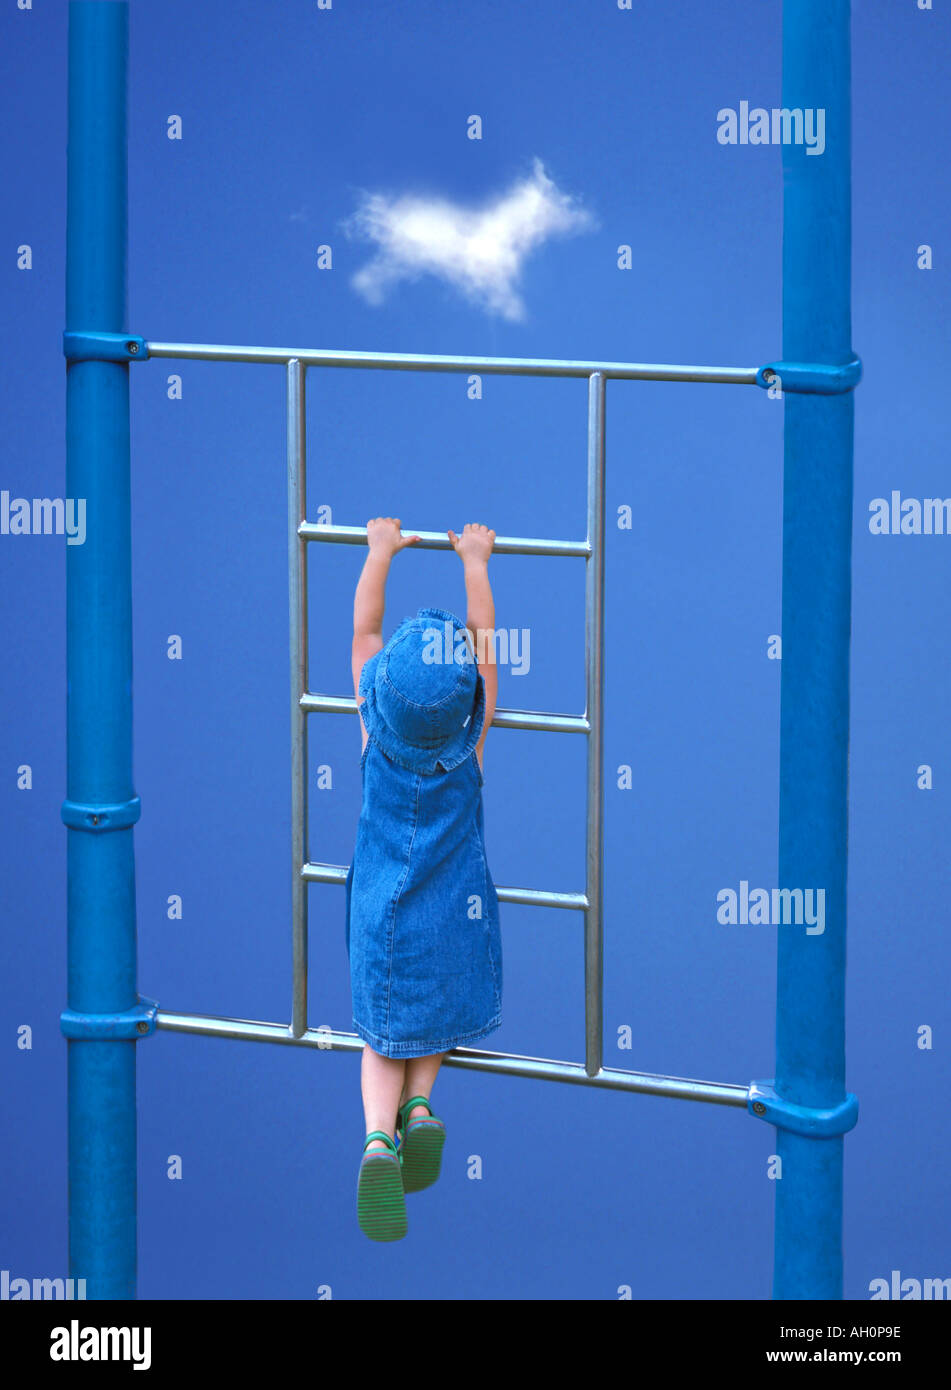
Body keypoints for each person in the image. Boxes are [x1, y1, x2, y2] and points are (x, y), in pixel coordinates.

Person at [345, 518, 502, 1242]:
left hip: (380, 913)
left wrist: (378, 553)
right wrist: (475, 562)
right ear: (466, 702)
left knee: (383, 1035)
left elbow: (364, 633)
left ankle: (380, 1137)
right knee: (431, 1020)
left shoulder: (376, 739)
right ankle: (421, 1108)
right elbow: (486, 645)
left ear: (379, 700)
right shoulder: (468, 745)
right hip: (451, 915)